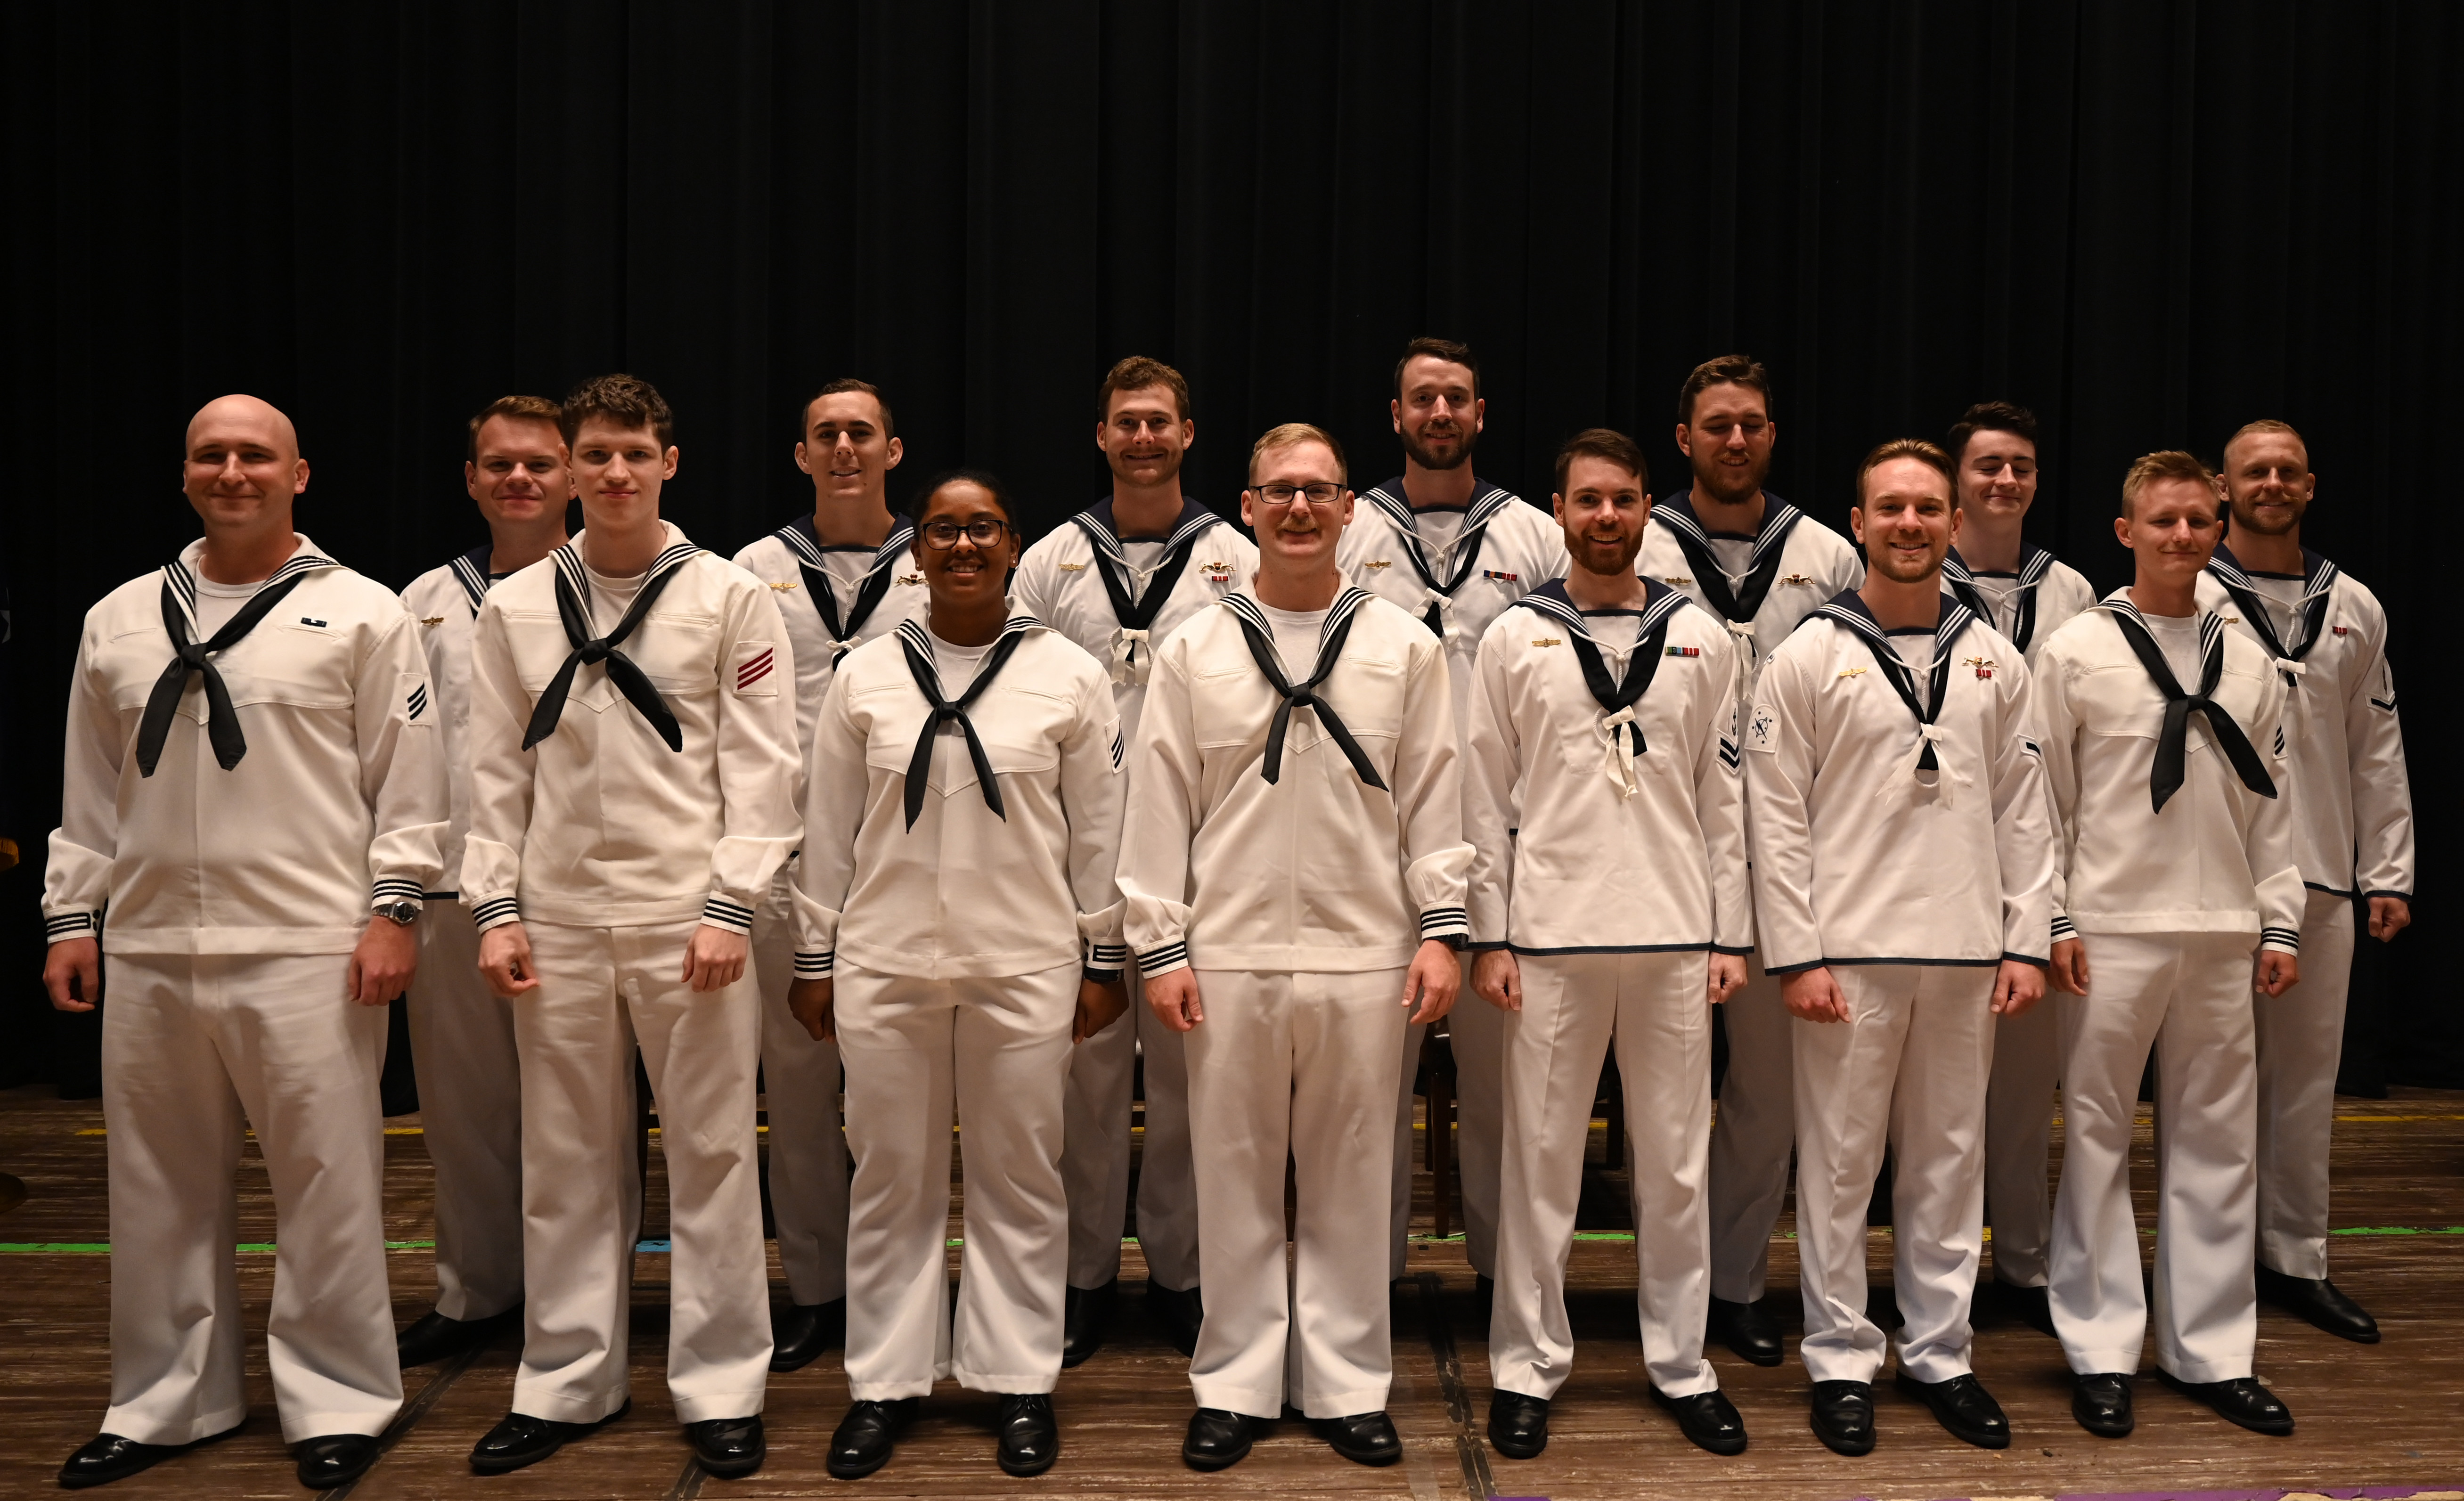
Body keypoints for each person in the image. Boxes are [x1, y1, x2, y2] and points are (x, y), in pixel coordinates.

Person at [44, 395, 446, 1492]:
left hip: (310, 945)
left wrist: (395, 908)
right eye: (212, 456)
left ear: (299, 475)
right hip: (155, 945)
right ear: (184, 475)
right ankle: (168, 1400)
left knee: (328, 1180)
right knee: (158, 1184)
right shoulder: (119, 617)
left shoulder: (365, 613)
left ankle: (340, 1399)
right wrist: (73, 915)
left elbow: (411, 784)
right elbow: (90, 789)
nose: (234, 472)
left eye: (255, 456)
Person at [461, 374, 800, 1479]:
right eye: (592, 456)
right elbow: (493, 776)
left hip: (683, 917)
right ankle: (566, 1380)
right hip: (557, 918)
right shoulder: (513, 605)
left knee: (708, 1157)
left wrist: (727, 903)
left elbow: (763, 766)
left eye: (633, 455)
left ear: (669, 464)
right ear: (563, 470)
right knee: (566, 1160)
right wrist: (496, 910)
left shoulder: (725, 593)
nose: (612, 475)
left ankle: (719, 1386)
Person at [1120, 423, 1471, 1472]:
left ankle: (1347, 1381)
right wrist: (1158, 943)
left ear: (1350, 508)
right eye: (1280, 492)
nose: (1300, 509)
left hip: (1365, 949)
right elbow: (1155, 803)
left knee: (1357, 1179)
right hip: (1224, 951)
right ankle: (1232, 1379)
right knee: (1226, 1174)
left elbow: (1436, 798)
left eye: (1319, 491)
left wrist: (1441, 932)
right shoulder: (1194, 645)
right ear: (1246, 506)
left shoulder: (1405, 643)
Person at [788, 470, 1127, 1480]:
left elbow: (1100, 831)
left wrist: (1101, 956)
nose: (964, 545)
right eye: (943, 529)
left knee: (1019, 1176)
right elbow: (827, 830)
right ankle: (883, 1384)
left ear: (1013, 545)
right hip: (885, 964)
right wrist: (815, 956)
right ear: (916, 551)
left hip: (1024, 964)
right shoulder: (866, 671)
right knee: (890, 1178)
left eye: (983, 528)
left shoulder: (1067, 672)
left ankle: (1018, 1379)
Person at [1744, 439, 2053, 1455]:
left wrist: (2023, 941)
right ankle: (1838, 1356)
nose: (1911, 526)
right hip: (1849, 955)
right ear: (1860, 523)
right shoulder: (1806, 654)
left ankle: (1941, 1351)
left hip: (1964, 949)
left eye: (1927, 510)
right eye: (1891, 510)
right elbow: (1772, 814)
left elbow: (2022, 808)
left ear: (1951, 526)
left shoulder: (1992, 656)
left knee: (1947, 1162)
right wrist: (1795, 953)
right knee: (1837, 1165)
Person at [1466, 430, 1750, 1460]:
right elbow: (1483, 799)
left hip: (1674, 936)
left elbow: (1728, 799)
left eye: (1623, 500)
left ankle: (1682, 1364)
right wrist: (1488, 935)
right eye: (1586, 500)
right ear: (1558, 510)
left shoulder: (1701, 637)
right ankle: (1526, 1368)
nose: (1605, 517)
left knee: (1673, 1169)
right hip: (1548, 938)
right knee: (1539, 1167)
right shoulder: (1513, 638)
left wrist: (1731, 932)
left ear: (1644, 510)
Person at [2038, 450, 2303, 1439]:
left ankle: (2210, 1351)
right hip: (2109, 928)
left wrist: (2277, 917)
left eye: (2199, 522)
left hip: (2221, 928)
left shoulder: (2247, 656)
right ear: (2124, 532)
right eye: (2163, 523)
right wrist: (2053, 918)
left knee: (2216, 1147)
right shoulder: (2075, 649)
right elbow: (2042, 807)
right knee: (2098, 1141)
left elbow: (2273, 808)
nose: (2183, 539)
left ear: (2219, 526)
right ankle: (2100, 1349)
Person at [1011, 356, 1256, 1363]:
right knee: (1081, 1083)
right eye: (1126, 423)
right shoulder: (1052, 560)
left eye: (1160, 422)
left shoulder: (1234, 558)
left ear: (1188, 434)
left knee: (1194, 1082)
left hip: (1204, 854)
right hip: (1073, 855)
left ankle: (1183, 1273)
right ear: (1101, 436)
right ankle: (1080, 1278)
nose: (1144, 438)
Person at [1635, 355, 1863, 1364]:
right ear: (1681, 439)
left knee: (1767, 1097)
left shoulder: (1824, 555)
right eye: (1716, 425)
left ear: (1773, 437)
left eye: (1753, 426)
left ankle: (1733, 1287)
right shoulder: (1633, 542)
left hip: (1794, 856)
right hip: (1657, 853)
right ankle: (1648, 1294)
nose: (1735, 441)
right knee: (1661, 1105)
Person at [1338, 337, 1563, 1289]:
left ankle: (1506, 1280)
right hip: (1376, 851)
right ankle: (1364, 1286)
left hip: (1506, 847)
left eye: (1455, 400)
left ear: (1480, 416)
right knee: (1366, 1092)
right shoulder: (1348, 531)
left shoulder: (1532, 538)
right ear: (1394, 415)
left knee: (1508, 1090)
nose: (1438, 414)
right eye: (1421, 399)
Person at [2196, 419, 2412, 1341]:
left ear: (2310, 486)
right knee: (2212, 1082)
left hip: (2320, 873)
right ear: (2220, 486)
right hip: (2211, 875)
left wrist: (2387, 870)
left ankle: (2295, 1259)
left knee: (2302, 1081)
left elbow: (2374, 747)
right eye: (2255, 471)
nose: (2271, 483)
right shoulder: (2188, 591)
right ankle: (2207, 1270)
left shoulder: (2353, 604)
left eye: (2286, 471)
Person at [730, 377, 927, 1371]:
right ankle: (814, 1288)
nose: (844, 448)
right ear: (801, 455)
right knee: (800, 1093)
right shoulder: (748, 573)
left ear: (894, 451)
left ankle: (908, 1295)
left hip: (907, 869)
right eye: (825, 435)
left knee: (904, 1100)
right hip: (785, 870)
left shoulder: (940, 563)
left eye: (862, 433)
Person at [392, 394, 573, 1368]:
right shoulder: (419, 601)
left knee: (577, 1116)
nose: (519, 480)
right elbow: (393, 758)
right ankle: (476, 1292)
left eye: (539, 465)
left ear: (573, 476)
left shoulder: (615, 585)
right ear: (470, 479)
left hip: (573, 894)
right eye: (498, 464)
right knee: (462, 1113)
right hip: (451, 893)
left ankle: (578, 1295)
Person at [1940, 401, 2097, 1333]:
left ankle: (2026, 1265)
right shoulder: (1909, 581)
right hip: (1940, 856)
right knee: (1937, 1097)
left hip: (2045, 852)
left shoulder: (2072, 591)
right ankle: (1931, 1271)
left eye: (2020, 467)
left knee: (2027, 1084)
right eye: (1986, 466)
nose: (2004, 481)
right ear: (1954, 480)